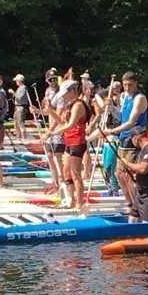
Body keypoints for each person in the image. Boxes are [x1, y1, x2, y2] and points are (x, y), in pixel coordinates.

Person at [107, 71, 148, 203]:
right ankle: (130, 203)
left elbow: (131, 122)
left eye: (129, 85)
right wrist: (112, 108)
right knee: (119, 174)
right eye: (125, 85)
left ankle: (137, 205)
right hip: (123, 139)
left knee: (128, 175)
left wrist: (112, 131)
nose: (127, 87)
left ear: (136, 83)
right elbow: (122, 116)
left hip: (134, 139)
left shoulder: (140, 98)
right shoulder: (124, 96)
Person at [47, 80, 89, 209]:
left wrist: (55, 132)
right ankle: (70, 199)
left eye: (65, 93)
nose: (64, 96)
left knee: (75, 173)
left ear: (72, 91)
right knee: (66, 173)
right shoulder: (70, 105)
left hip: (77, 142)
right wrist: (50, 111)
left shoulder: (78, 105)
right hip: (69, 141)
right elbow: (61, 121)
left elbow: (71, 124)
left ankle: (79, 203)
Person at [118, 132, 148, 222]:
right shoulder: (144, 149)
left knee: (147, 222)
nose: (132, 144)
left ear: (136, 139)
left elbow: (143, 169)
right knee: (133, 217)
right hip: (140, 193)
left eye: (131, 141)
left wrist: (127, 163)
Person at [12, 73, 31, 140]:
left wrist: (12, 92)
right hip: (17, 107)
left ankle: (24, 138)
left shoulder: (23, 88)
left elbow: (19, 98)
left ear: (20, 81)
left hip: (21, 107)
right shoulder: (20, 88)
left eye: (16, 80)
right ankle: (19, 136)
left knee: (21, 124)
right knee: (16, 122)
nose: (16, 82)